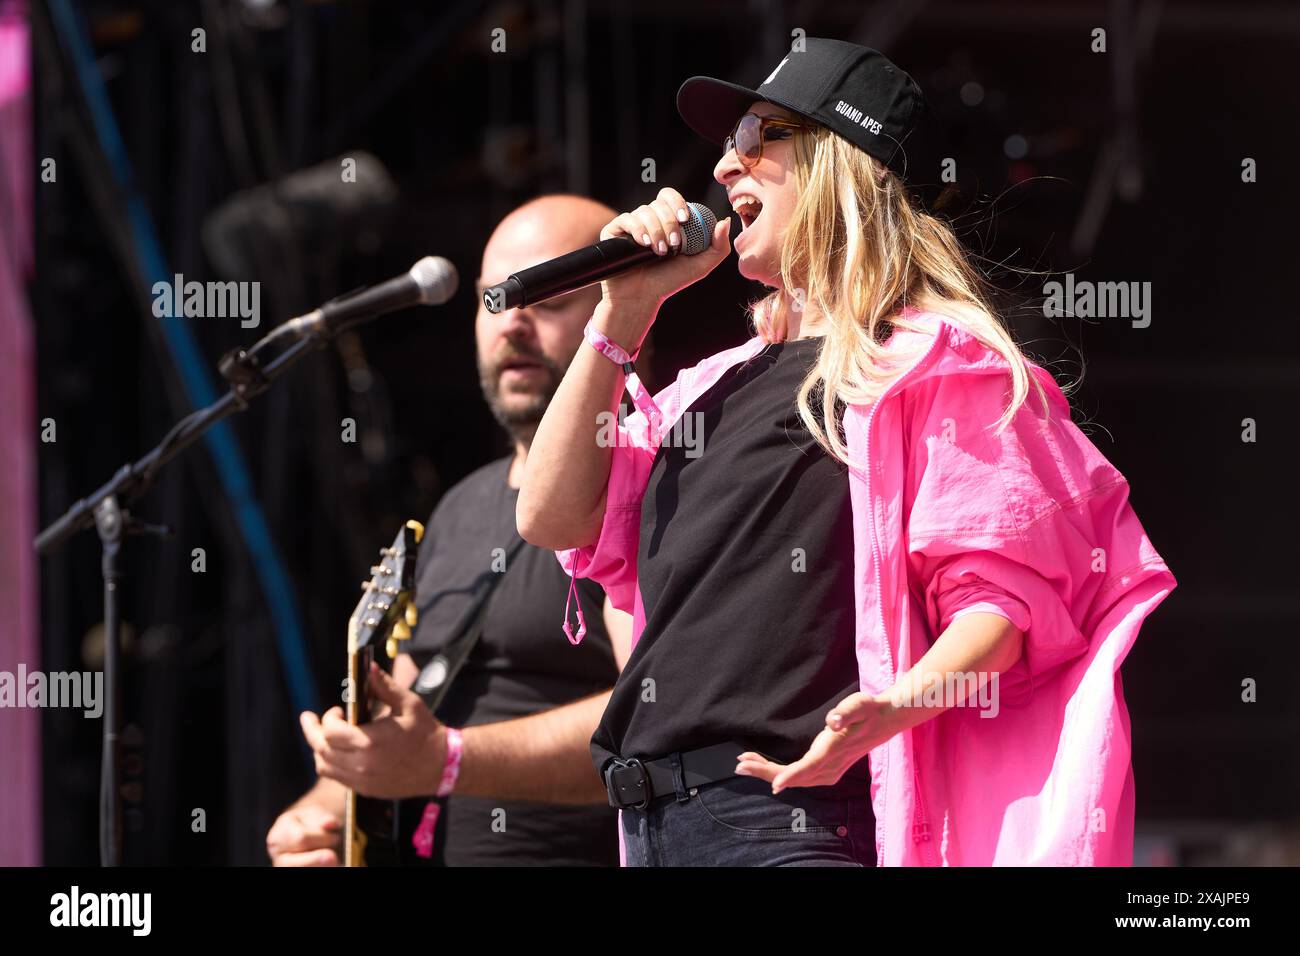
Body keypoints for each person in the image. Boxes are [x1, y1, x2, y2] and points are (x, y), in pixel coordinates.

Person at [517, 39, 1176, 866]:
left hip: (788, 820)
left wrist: (896, 704)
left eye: (757, 139)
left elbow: (999, 605)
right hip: (651, 824)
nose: (725, 167)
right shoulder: (703, 389)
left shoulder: (930, 364)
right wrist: (621, 313)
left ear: (838, 162)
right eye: (729, 146)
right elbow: (550, 517)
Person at [267, 195, 633, 867]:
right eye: (495, 300)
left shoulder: (643, 487)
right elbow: (413, 707)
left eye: (546, 296)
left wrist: (449, 761)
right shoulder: (460, 507)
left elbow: (658, 716)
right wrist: (320, 810)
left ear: (622, 306)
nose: (513, 323)